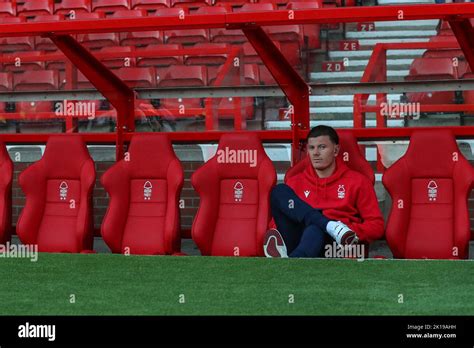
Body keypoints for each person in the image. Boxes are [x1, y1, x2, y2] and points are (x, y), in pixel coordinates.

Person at [263, 125, 384, 258]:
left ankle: (297, 258)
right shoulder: (295, 182)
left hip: (337, 248)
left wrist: (348, 230)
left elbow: (376, 226)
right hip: (299, 240)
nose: (315, 153)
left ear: (336, 150)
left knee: (315, 228)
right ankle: (328, 226)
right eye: (311, 148)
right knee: (279, 191)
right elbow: (276, 223)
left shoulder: (358, 181)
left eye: (322, 147)